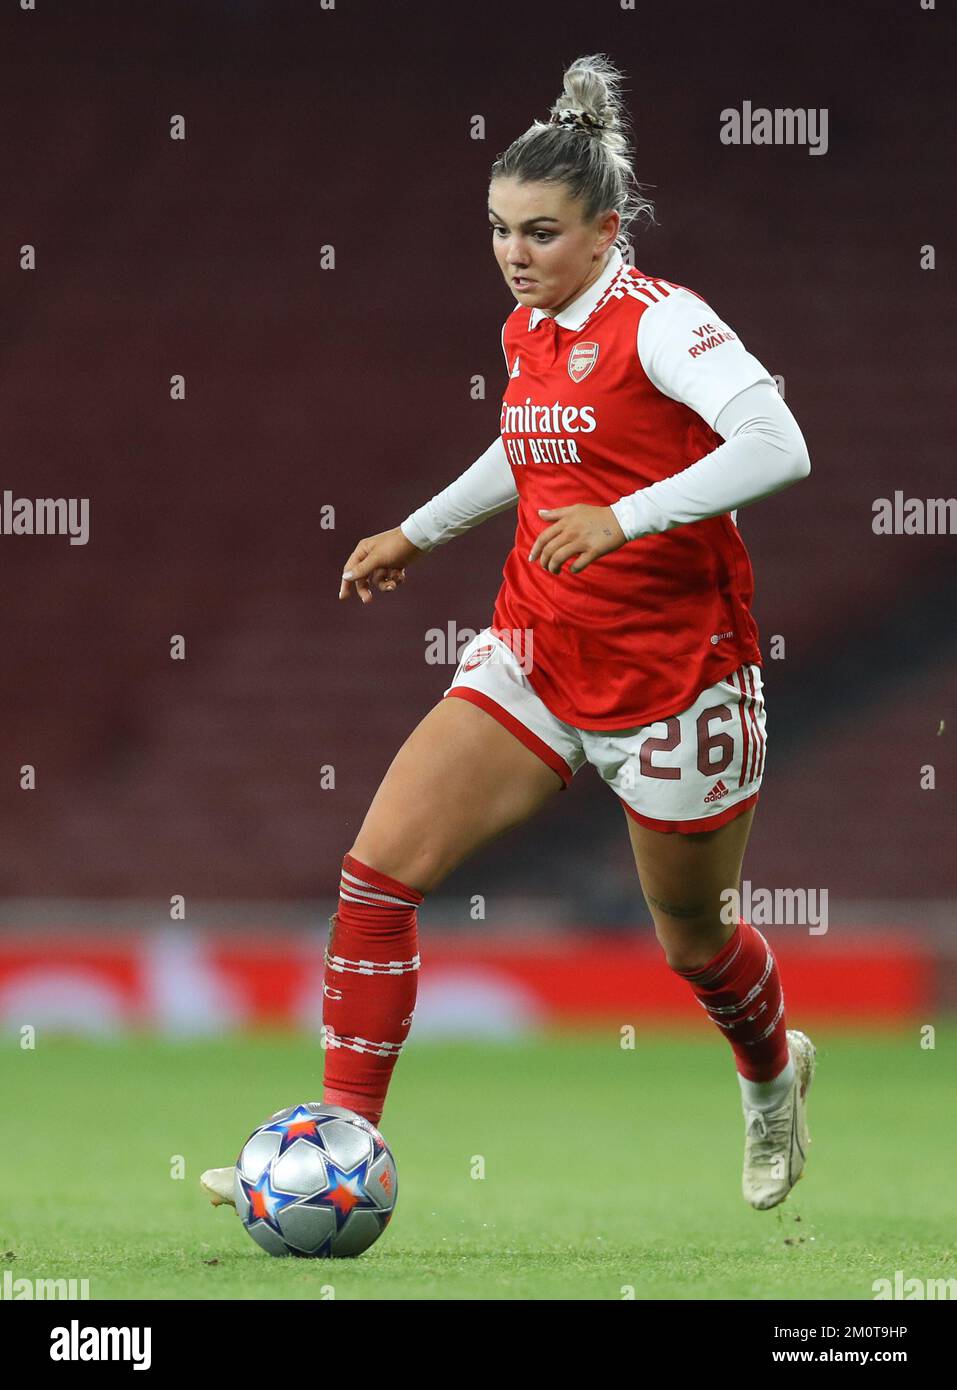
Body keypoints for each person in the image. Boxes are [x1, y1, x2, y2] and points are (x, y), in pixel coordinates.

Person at [203, 53, 814, 1215]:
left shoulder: (663, 322)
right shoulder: (527, 330)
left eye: (539, 232)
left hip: (678, 681)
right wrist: (417, 532)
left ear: (607, 231)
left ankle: (773, 1075)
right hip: (535, 651)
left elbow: (779, 443)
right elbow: (529, 447)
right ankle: (330, 1161)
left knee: (694, 941)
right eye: (497, 230)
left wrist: (624, 517)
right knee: (377, 877)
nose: (513, 254)